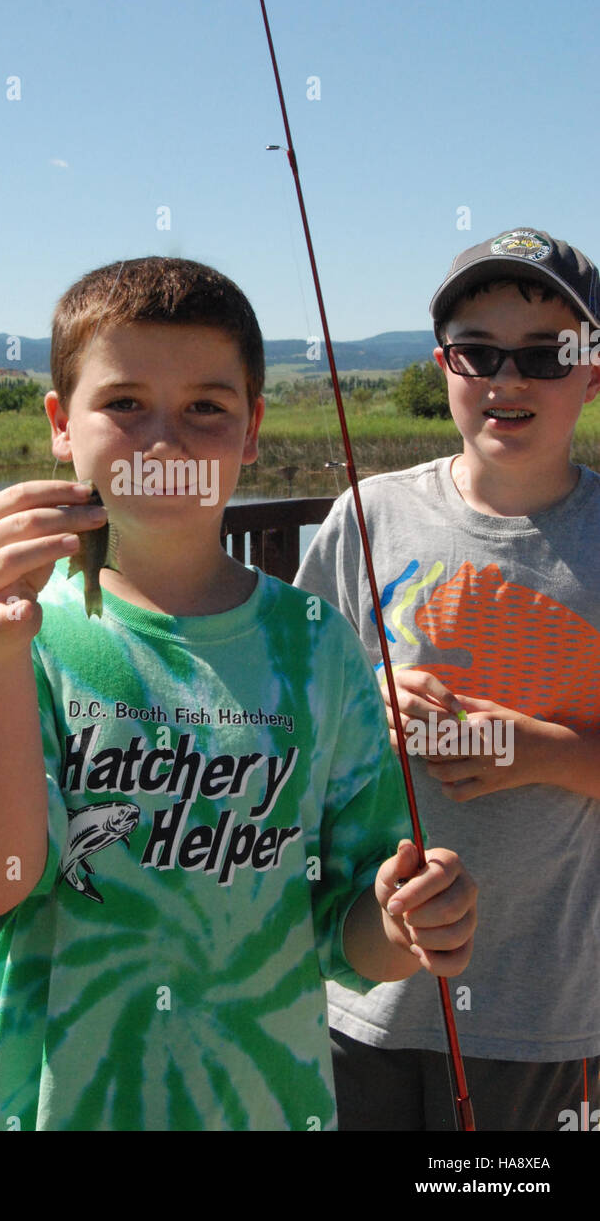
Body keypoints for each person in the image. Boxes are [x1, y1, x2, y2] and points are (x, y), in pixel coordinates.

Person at [0, 255, 476, 1132]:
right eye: (124, 404)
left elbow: (353, 936)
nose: (164, 443)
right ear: (60, 423)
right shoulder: (9, 640)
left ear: (252, 429)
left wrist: (411, 921)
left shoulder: (317, 647)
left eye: (206, 407)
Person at [294, 228, 600, 1132]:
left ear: (594, 372)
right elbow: (289, 724)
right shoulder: (368, 514)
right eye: (480, 351)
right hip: (364, 993)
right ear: (443, 366)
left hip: (546, 1014)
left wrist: (537, 751)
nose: (509, 381)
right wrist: (367, 711)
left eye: (547, 355)